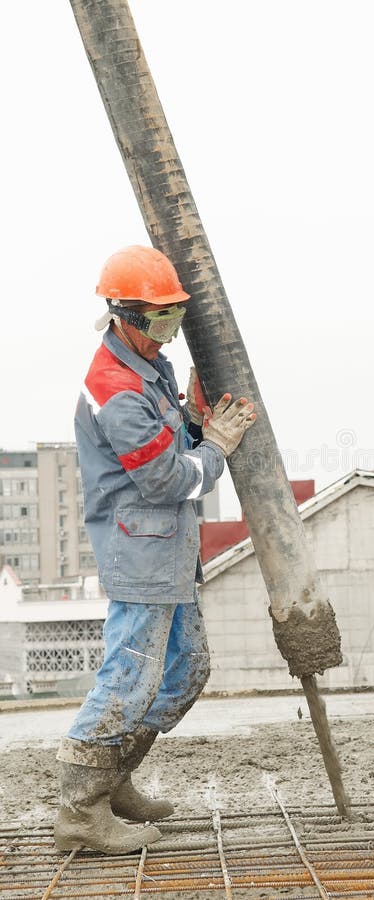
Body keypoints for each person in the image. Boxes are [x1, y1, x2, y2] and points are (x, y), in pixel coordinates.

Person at [54, 245, 256, 855]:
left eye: (175, 319)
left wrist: (194, 423)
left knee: (185, 671)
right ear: (125, 315)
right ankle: (80, 813)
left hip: (168, 551)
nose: (169, 334)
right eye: (160, 320)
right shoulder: (115, 389)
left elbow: (169, 443)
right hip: (139, 554)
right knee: (126, 681)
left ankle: (112, 783)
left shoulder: (148, 367)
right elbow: (167, 480)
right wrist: (215, 447)